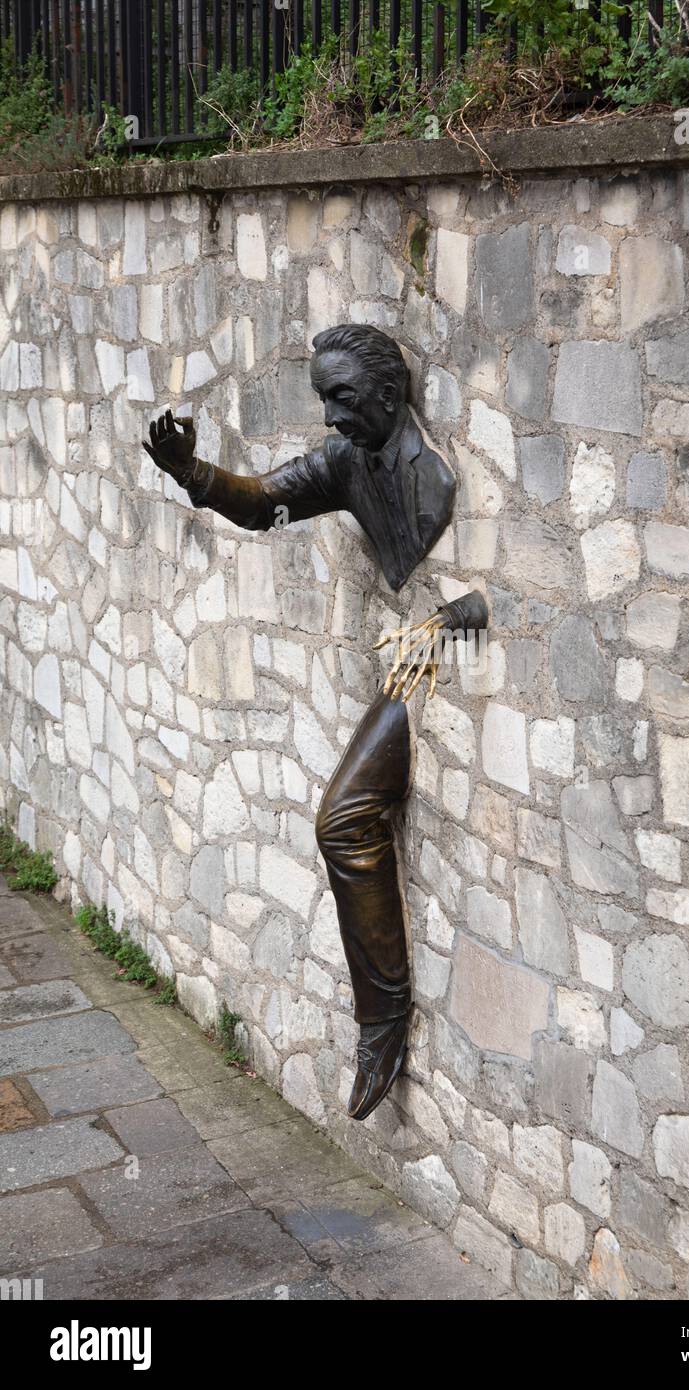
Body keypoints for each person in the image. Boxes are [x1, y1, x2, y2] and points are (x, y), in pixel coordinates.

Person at [142, 324, 488, 1121]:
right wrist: (191, 471)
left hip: (428, 665)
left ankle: (385, 1016)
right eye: (324, 400)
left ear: (389, 393)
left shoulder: (432, 474)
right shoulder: (345, 463)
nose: (330, 418)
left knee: (342, 820)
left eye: (342, 398)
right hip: (414, 660)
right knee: (340, 821)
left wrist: (458, 615)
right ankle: (380, 1017)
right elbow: (264, 503)